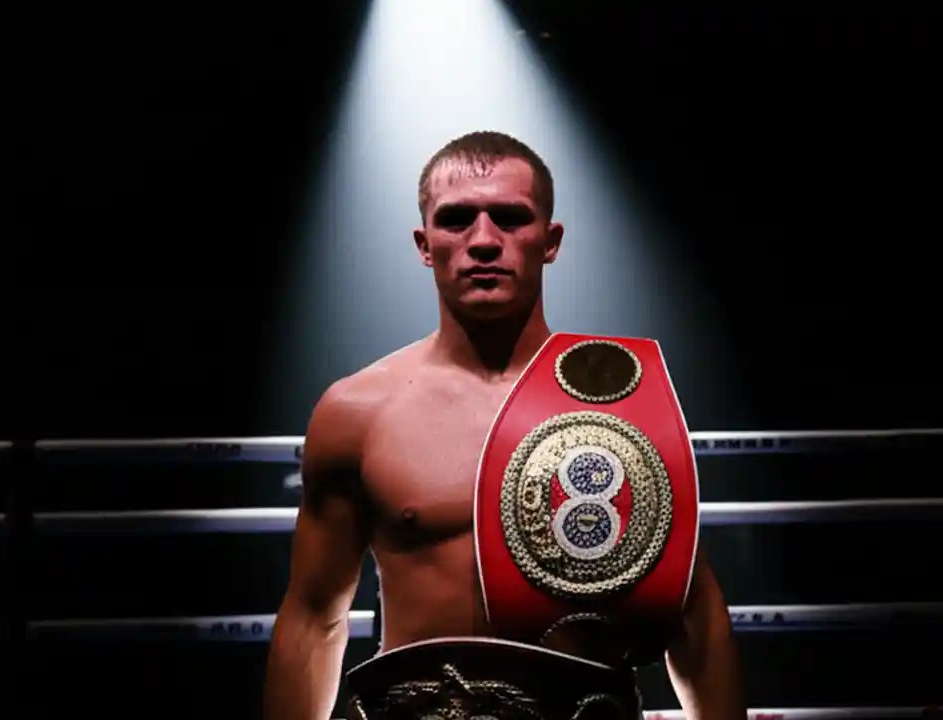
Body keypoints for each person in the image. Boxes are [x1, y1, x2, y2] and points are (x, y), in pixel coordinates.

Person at [264, 131, 744, 720]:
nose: (484, 240)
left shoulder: (621, 399)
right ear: (424, 243)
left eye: (511, 218)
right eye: (457, 219)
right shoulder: (357, 411)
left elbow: (694, 620)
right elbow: (314, 619)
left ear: (551, 240)